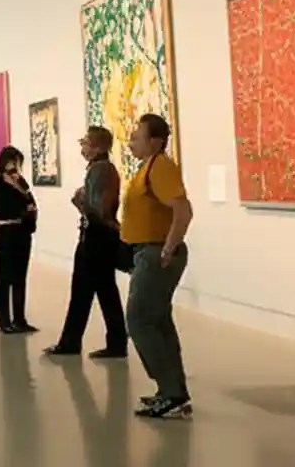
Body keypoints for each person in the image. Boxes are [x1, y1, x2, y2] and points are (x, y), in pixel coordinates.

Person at [123, 113, 194, 419]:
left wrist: (169, 247)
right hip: (147, 252)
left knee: (139, 320)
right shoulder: (147, 167)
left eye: (136, 137)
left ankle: (171, 392)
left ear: (155, 141)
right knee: (158, 321)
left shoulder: (161, 167)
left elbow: (183, 210)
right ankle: (173, 392)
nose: (131, 142)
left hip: (156, 253)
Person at [44, 126, 127, 359]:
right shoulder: (101, 168)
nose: (82, 147)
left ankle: (74, 342)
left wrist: (80, 201)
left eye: (86, 142)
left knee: (87, 291)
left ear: (98, 147)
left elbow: (99, 209)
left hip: (96, 238)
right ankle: (113, 342)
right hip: (100, 237)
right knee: (102, 291)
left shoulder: (100, 169)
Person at [0, 146, 38, 334]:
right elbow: (0, 210)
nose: (15, 166)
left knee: (20, 277)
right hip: (7, 232)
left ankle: (20, 319)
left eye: (17, 163)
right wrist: (23, 210)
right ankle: (4, 320)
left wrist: (28, 211)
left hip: (22, 232)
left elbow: (31, 202)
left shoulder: (21, 182)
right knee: (5, 276)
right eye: (12, 162)